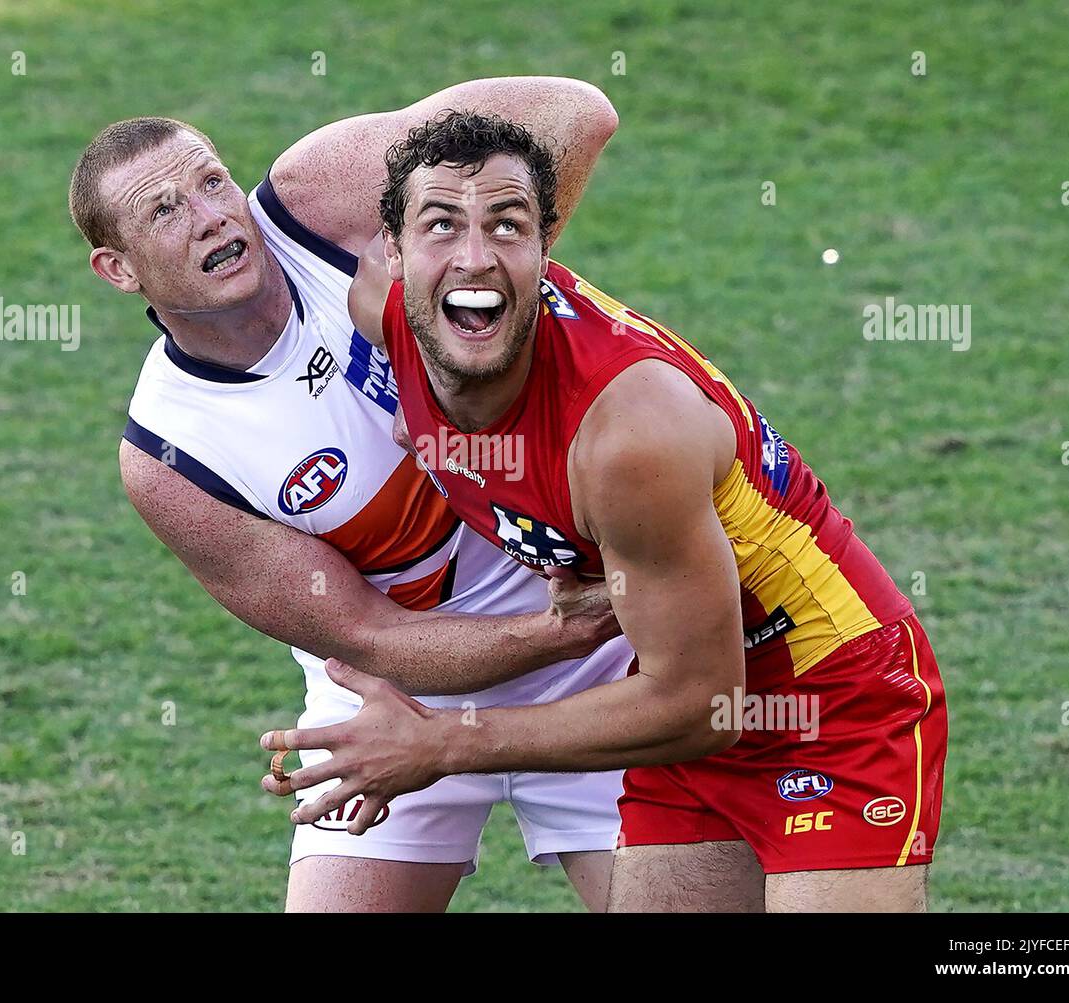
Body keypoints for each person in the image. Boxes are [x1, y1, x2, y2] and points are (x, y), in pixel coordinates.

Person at [263, 112, 949, 912]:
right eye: (441, 224)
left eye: (507, 226)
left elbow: (698, 703)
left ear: (544, 249)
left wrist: (443, 743)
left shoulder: (628, 437)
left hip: (830, 693)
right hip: (679, 684)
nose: (473, 258)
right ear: (391, 249)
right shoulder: (386, 314)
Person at [70, 81, 641, 912]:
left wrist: (486, 320)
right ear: (117, 269)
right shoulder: (172, 454)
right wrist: (563, 626)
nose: (212, 216)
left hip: (595, 657)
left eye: (211, 181)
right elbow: (366, 634)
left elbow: (578, 117)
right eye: (164, 211)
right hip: (395, 694)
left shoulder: (315, 202)